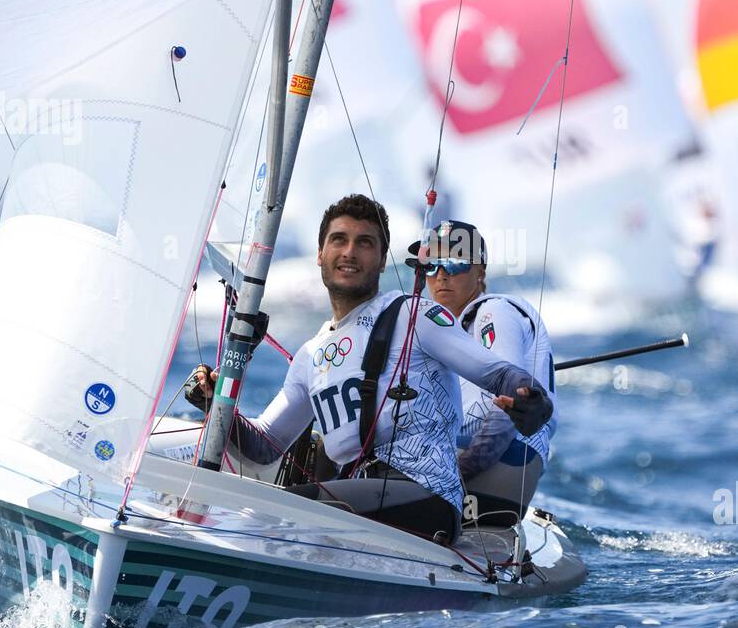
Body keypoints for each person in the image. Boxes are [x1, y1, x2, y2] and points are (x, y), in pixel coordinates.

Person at [186, 195, 552, 542]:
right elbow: (264, 446)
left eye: (364, 243)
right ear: (320, 254)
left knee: (284, 509)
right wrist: (215, 404)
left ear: (381, 260)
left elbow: (498, 373)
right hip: (359, 498)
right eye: (339, 239)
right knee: (279, 502)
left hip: (425, 497)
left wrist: (529, 397)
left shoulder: (416, 316)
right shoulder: (311, 355)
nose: (349, 251)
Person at [406, 220, 556, 526]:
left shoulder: (492, 311)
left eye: (456, 263)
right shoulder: (451, 333)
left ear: (481, 273)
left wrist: (455, 474)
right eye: (431, 265)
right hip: (505, 468)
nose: (442, 275)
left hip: (500, 462)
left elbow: (507, 406)